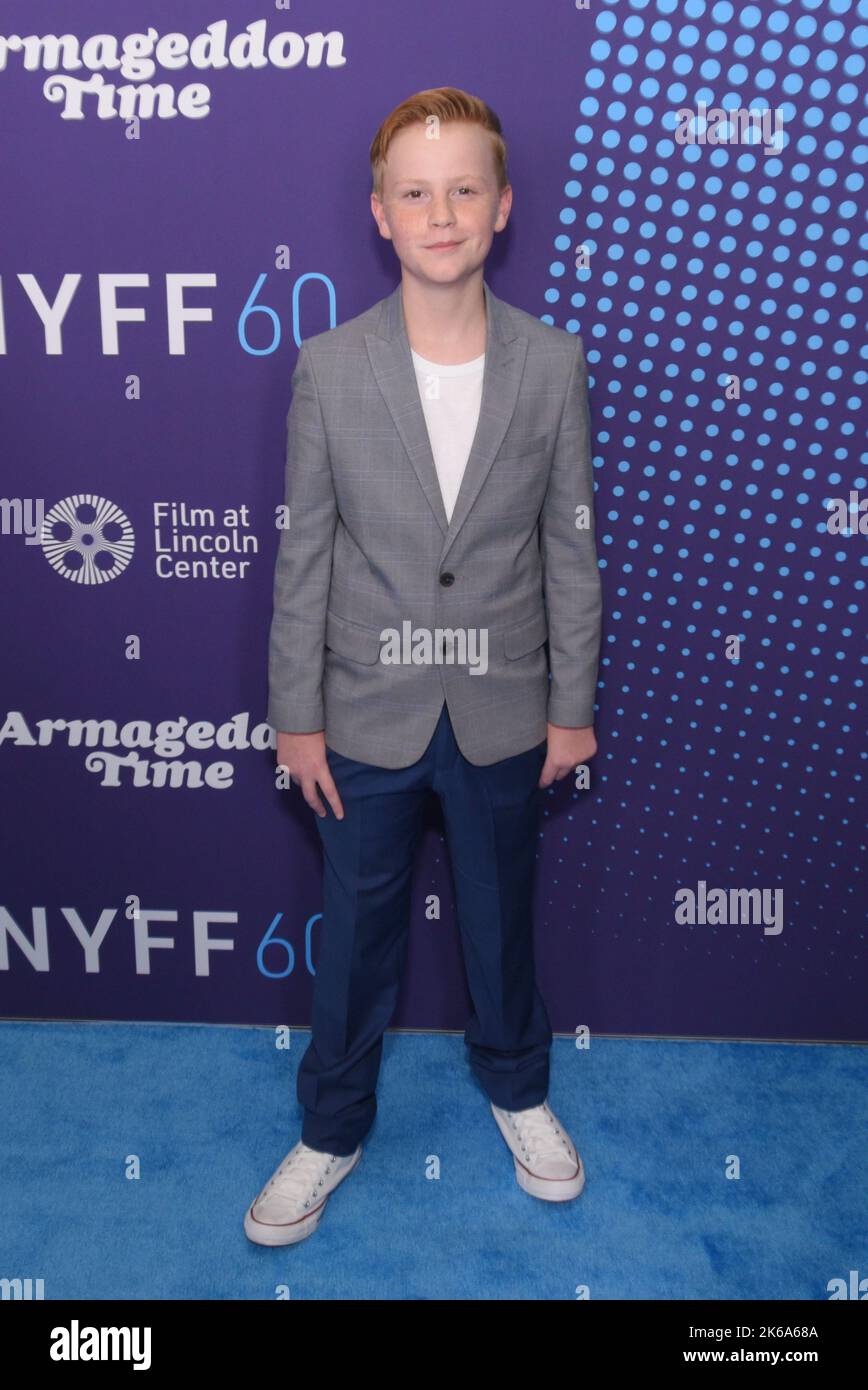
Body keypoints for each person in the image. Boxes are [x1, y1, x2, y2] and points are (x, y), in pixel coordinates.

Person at [245, 87, 602, 1246]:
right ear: (379, 215)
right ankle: (332, 1126)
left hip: (505, 708)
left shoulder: (551, 363)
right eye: (415, 192)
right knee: (355, 935)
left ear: (499, 208)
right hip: (364, 710)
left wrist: (572, 707)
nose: (438, 211)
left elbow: (567, 545)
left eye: (461, 190)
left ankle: (521, 1091)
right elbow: (306, 555)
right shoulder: (328, 365)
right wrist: (294, 717)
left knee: (504, 923)